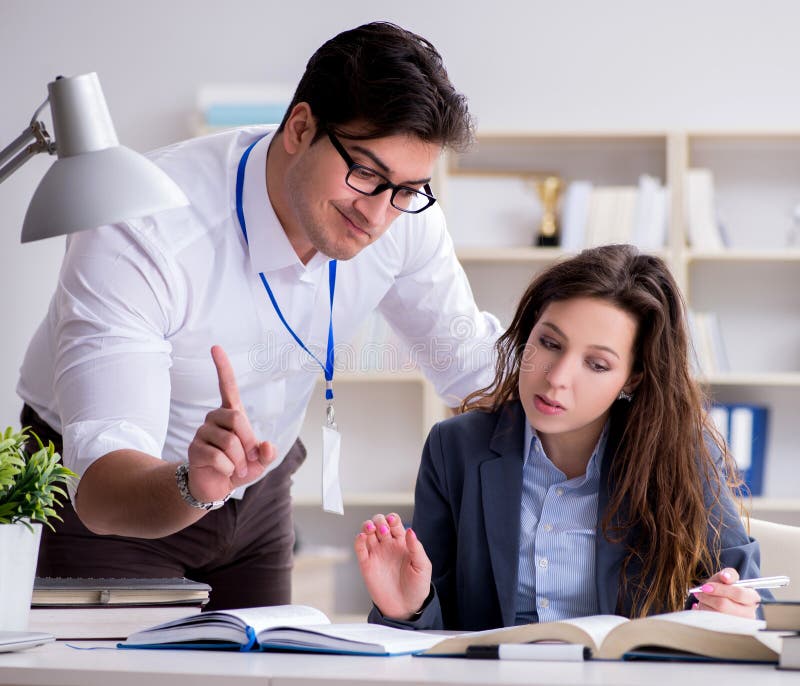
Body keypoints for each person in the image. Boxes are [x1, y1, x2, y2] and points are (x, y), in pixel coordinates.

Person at [16, 22, 501, 611]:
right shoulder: (143, 227)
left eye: (407, 188)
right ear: (300, 128)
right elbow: (101, 482)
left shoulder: (404, 213)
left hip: (258, 489)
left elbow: (475, 369)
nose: (378, 214)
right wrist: (191, 483)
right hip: (120, 501)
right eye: (366, 174)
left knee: (264, 671)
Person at [355, 244, 764, 631]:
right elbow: (434, 636)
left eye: (597, 364)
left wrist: (734, 608)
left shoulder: (679, 451)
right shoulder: (456, 448)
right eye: (549, 343)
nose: (556, 378)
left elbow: (750, 597)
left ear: (633, 378)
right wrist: (409, 608)